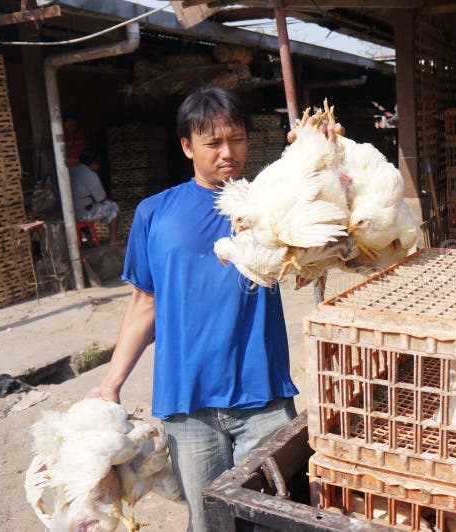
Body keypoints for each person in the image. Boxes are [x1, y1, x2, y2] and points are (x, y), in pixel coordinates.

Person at [84, 86, 302, 532]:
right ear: (187, 146)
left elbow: (326, 253)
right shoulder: (154, 213)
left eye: (237, 139)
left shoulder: (271, 206)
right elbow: (145, 302)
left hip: (264, 398)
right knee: (207, 522)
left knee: (276, 519)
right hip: (188, 404)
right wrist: (111, 381)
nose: (229, 152)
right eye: (214, 142)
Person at [69, 150, 119, 244]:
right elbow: (101, 199)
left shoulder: (71, 171)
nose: (98, 166)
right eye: (98, 164)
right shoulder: (90, 175)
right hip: (82, 214)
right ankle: (113, 240)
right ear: (93, 163)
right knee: (113, 206)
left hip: (69, 214)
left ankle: (88, 238)